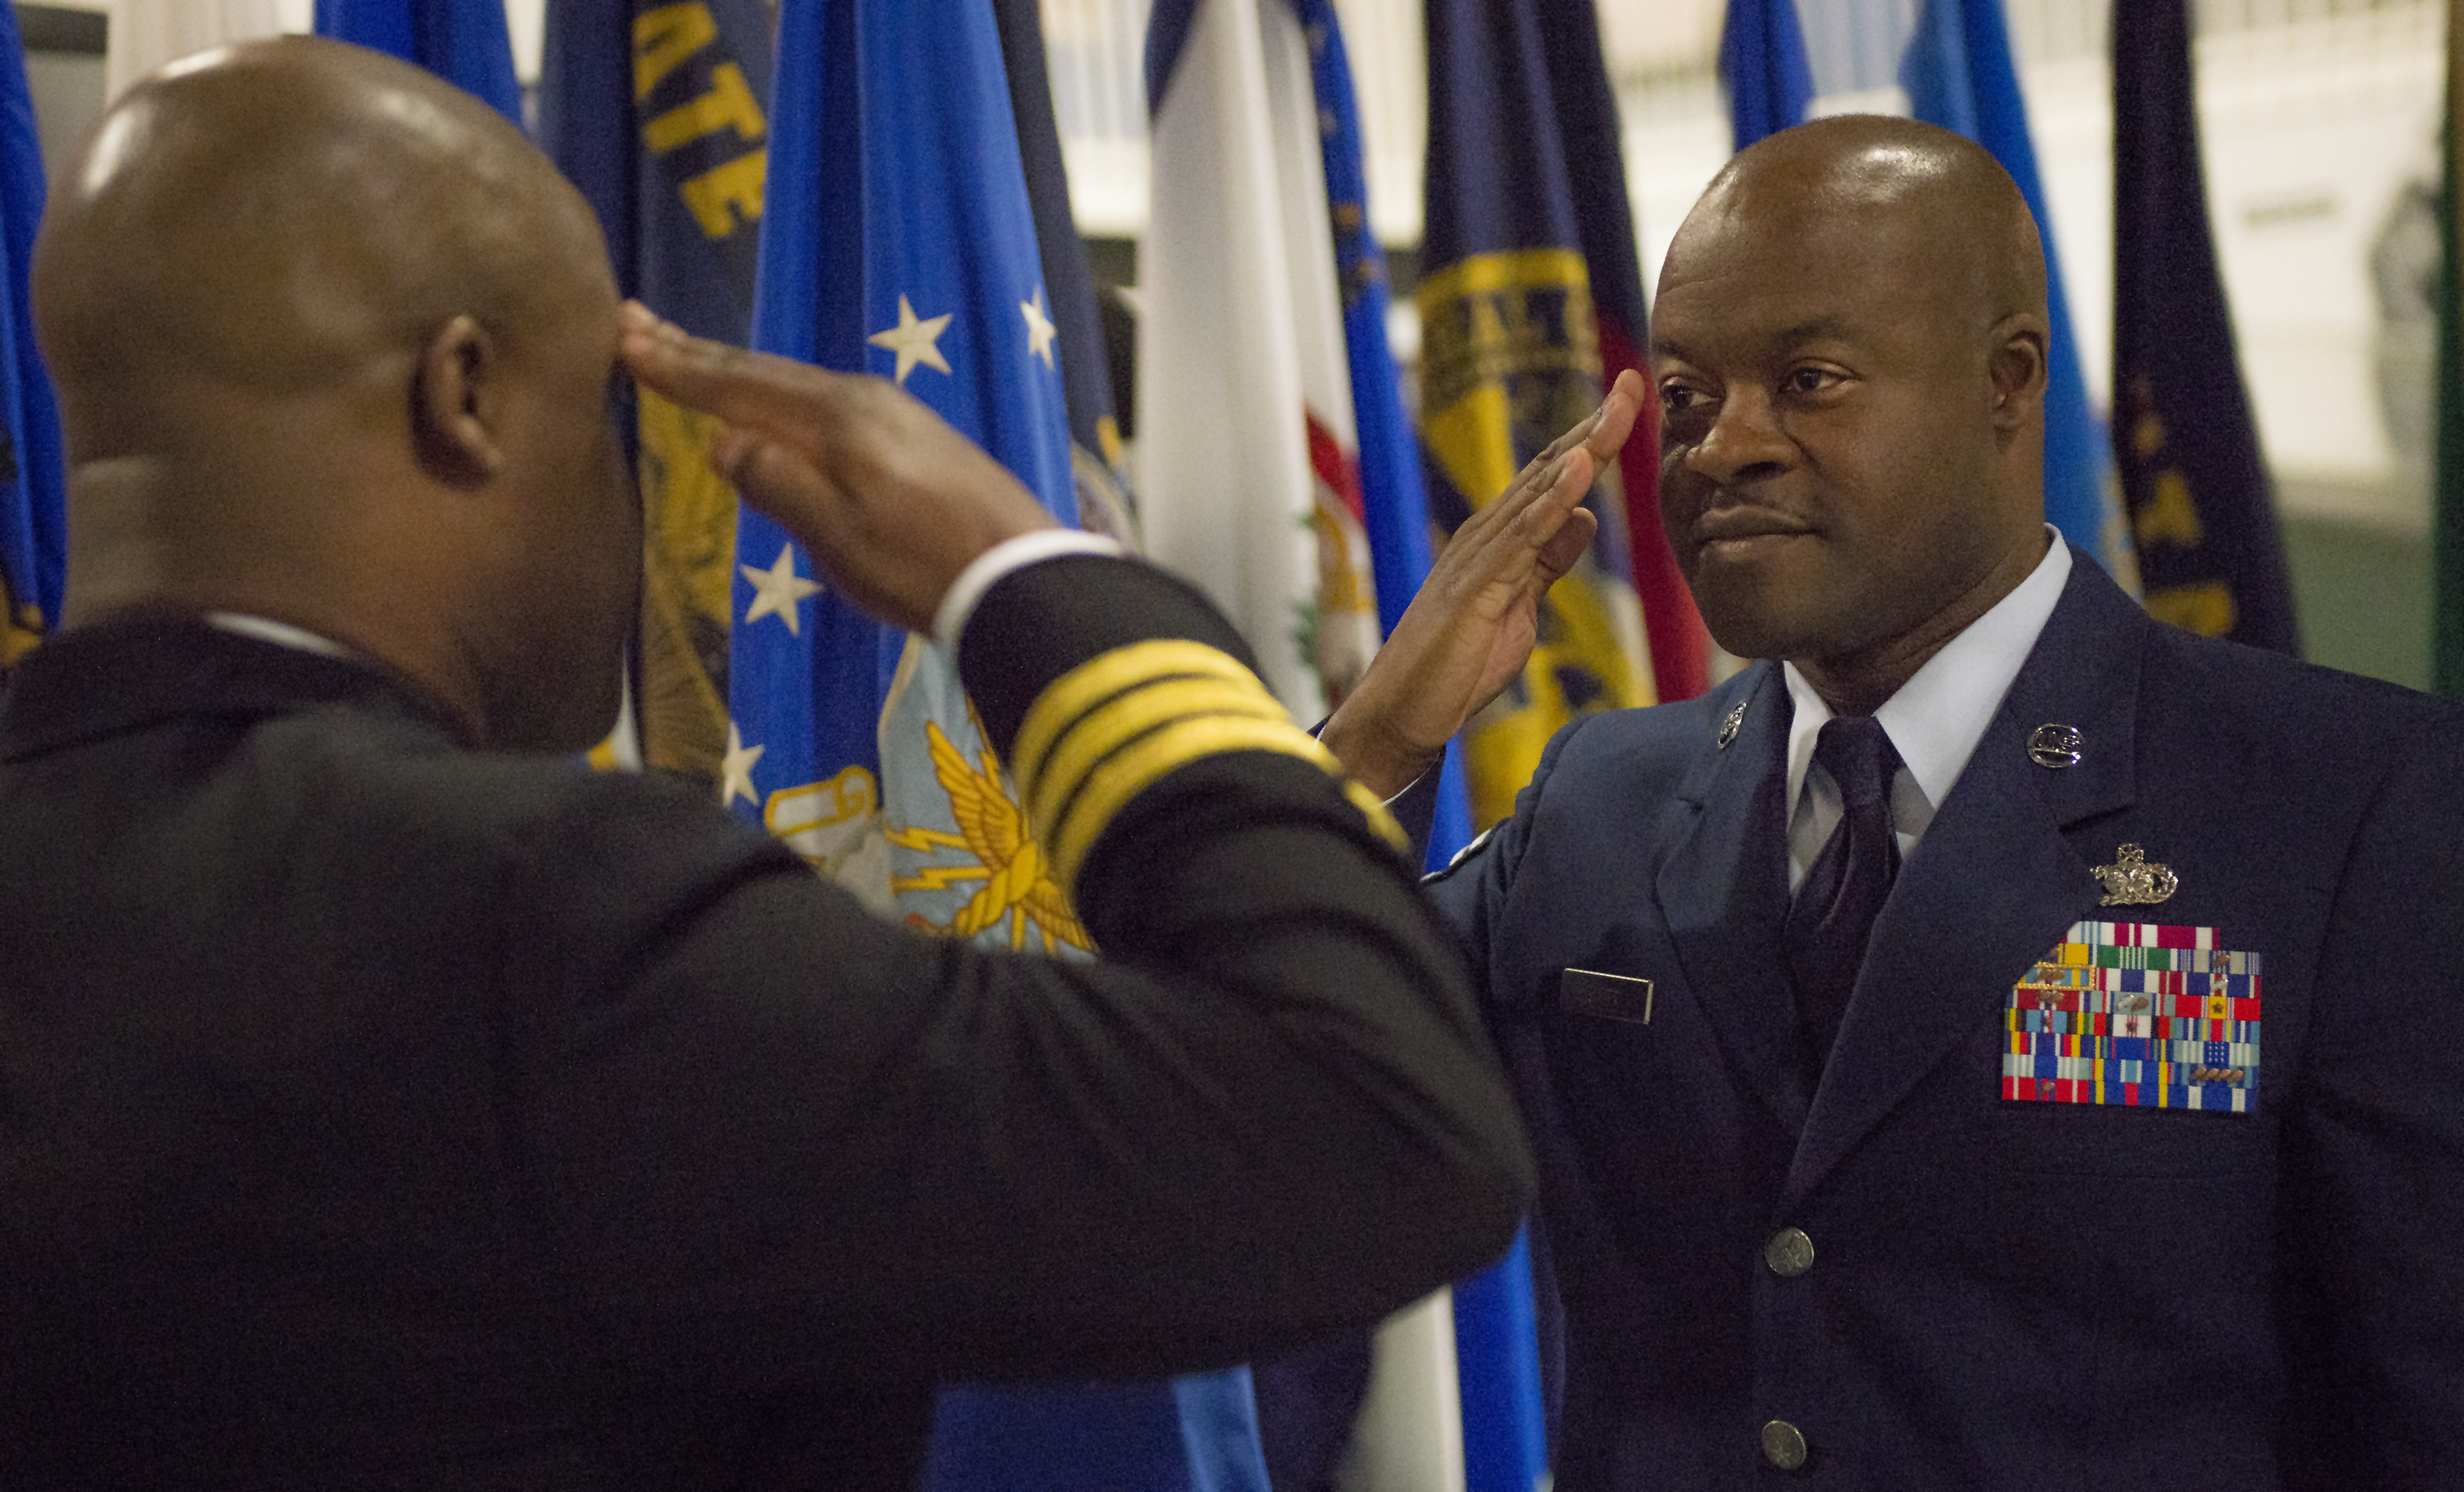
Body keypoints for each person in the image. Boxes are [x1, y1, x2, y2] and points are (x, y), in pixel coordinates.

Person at [0, 38, 1536, 1490]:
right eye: (605, 415)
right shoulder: (538, 919)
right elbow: (1381, 1132)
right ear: (462, 398)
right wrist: (1021, 573)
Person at [1322, 113, 2464, 1489]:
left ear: (2007, 382)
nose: (1722, 447)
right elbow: (1266, 1095)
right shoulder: (1600, 805)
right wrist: (1379, 738)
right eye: (1684, 396)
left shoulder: (2341, 805)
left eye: (1808, 381)